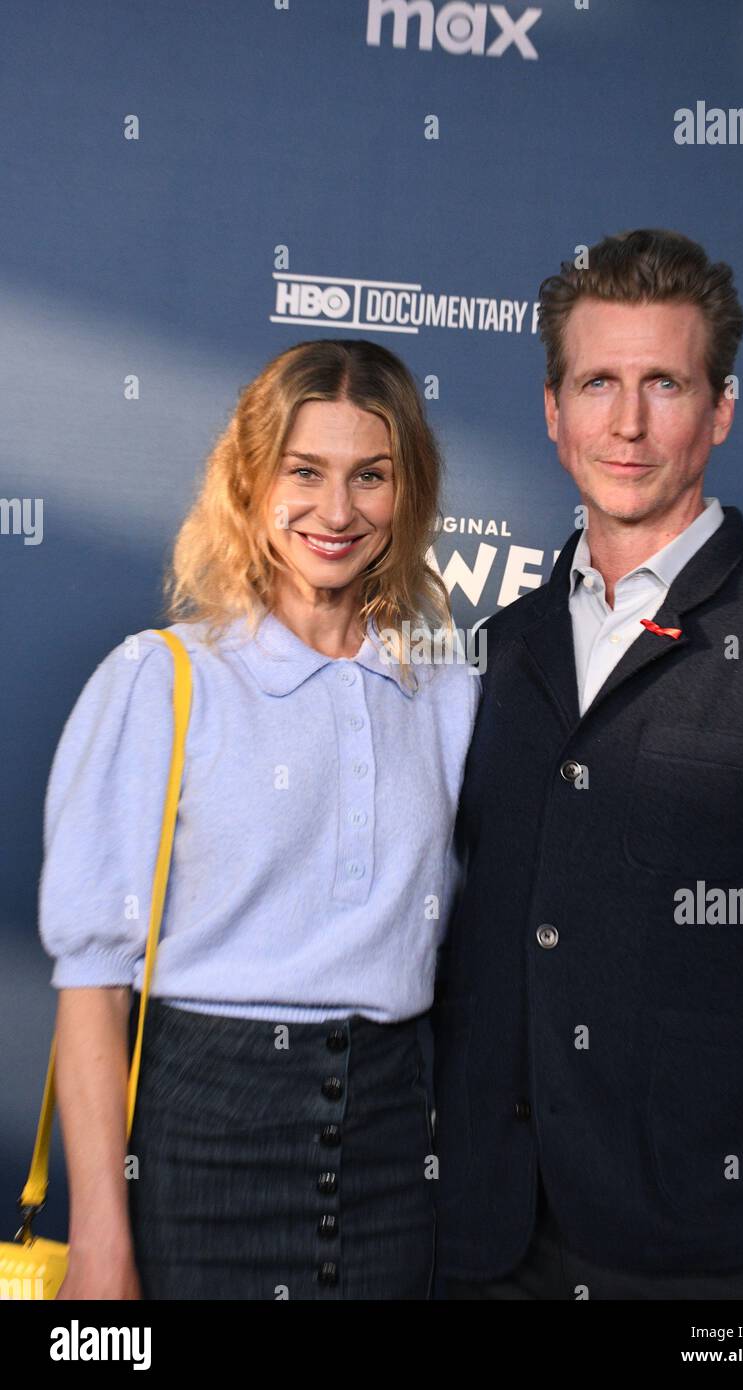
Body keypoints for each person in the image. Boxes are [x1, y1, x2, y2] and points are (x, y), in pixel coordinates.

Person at [432, 228, 743, 1300]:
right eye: (596, 383)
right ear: (551, 411)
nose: (625, 424)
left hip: (724, 1263)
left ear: (718, 409)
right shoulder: (502, 648)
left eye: (662, 383)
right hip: (490, 1246)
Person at [38, 338, 480, 1300]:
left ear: (409, 493)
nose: (337, 509)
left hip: (392, 1170)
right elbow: (93, 984)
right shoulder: (162, 681)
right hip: (195, 1162)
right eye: (305, 472)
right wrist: (101, 1242)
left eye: (372, 475)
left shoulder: (448, 692)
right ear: (249, 481)